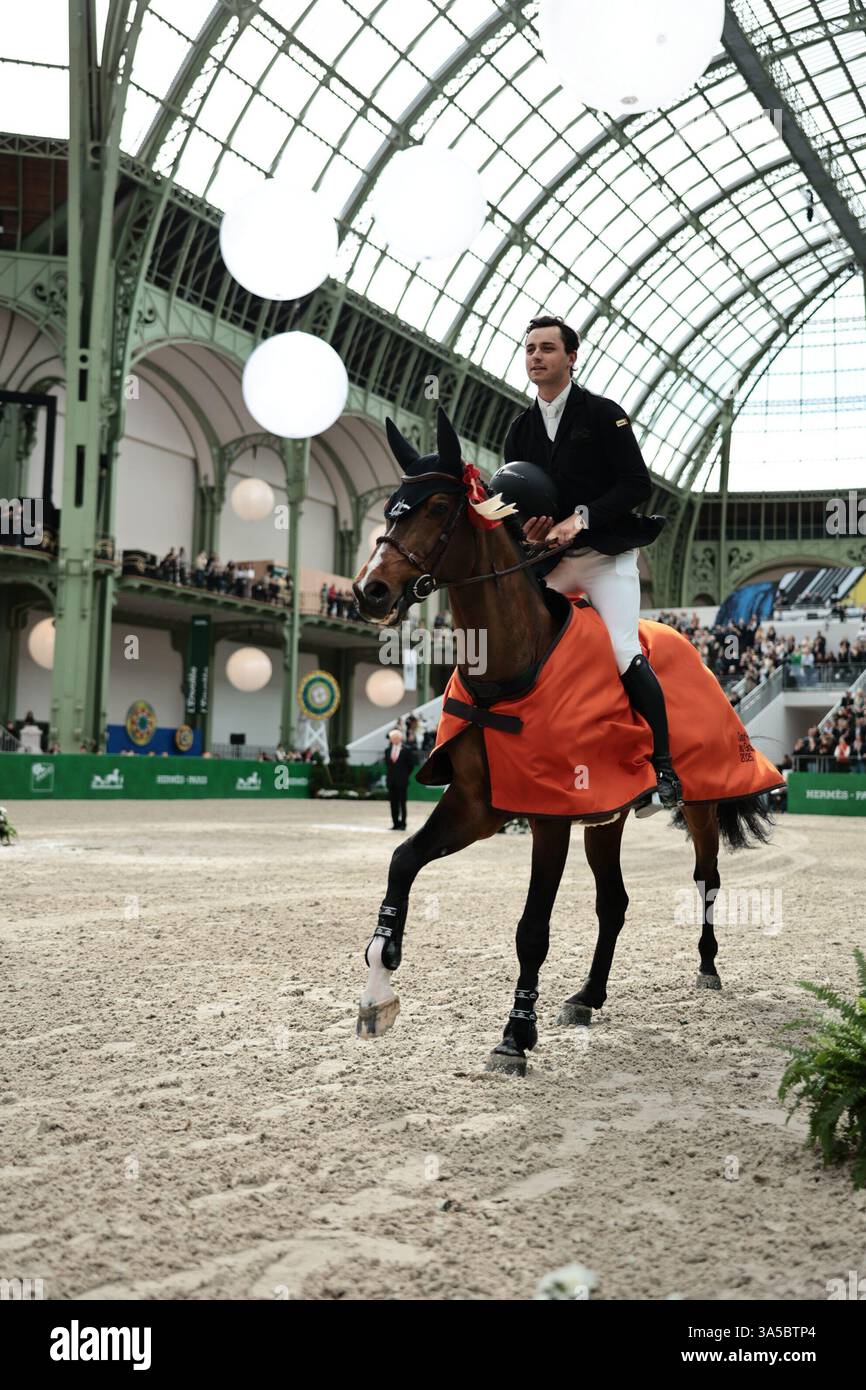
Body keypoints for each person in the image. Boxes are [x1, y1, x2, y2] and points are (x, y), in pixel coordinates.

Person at [502, 313, 681, 813]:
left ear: (571, 357)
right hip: (553, 562)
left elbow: (635, 485)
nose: (536, 356)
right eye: (530, 348)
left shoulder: (605, 414)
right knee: (527, 649)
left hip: (605, 556)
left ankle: (664, 767)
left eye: (547, 348)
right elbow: (514, 499)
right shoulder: (520, 429)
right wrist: (528, 531)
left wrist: (579, 519)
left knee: (623, 650)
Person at [384, 728, 414, 831]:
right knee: (393, 803)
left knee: (402, 803)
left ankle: (403, 824)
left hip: (402, 781)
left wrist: (404, 775)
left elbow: (411, 766)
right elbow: (388, 765)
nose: (395, 740)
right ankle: (395, 823)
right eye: (393, 738)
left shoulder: (406, 750)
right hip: (391, 781)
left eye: (396, 738)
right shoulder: (387, 750)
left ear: (400, 738)